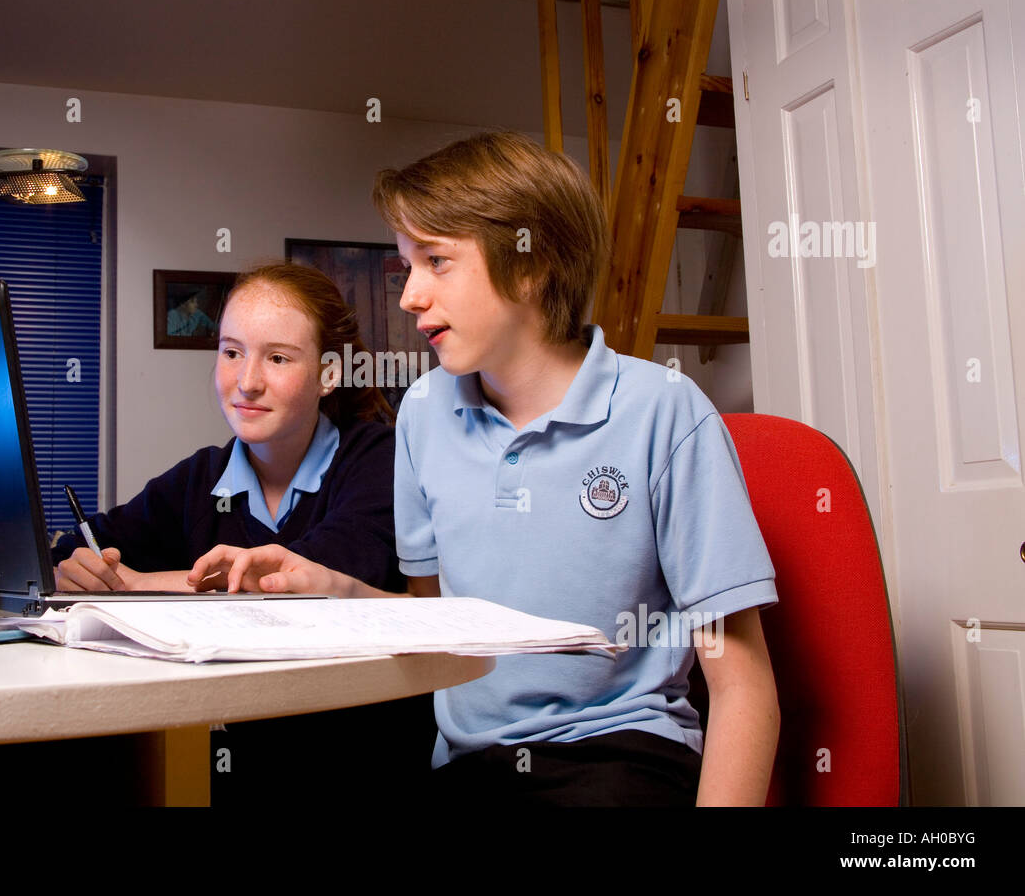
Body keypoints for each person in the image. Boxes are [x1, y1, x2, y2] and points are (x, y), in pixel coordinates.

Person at [186, 131, 782, 806]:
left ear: (531, 264)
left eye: (435, 261)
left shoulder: (663, 412)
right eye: (409, 266)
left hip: (617, 756)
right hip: (469, 766)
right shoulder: (422, 413)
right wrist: (329, 585)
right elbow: (436, 622)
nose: (410, 295)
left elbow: (743, 685)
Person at [53, 261, 434, 804]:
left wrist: (138, 586)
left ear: (329, 374)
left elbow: (299, 577)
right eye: (232, 352)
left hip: (367, 764)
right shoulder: (201, 476)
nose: (247, 380)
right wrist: (79, 564)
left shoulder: (377, 457)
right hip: (245, 760)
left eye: (277, 358)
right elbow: (89, 541)